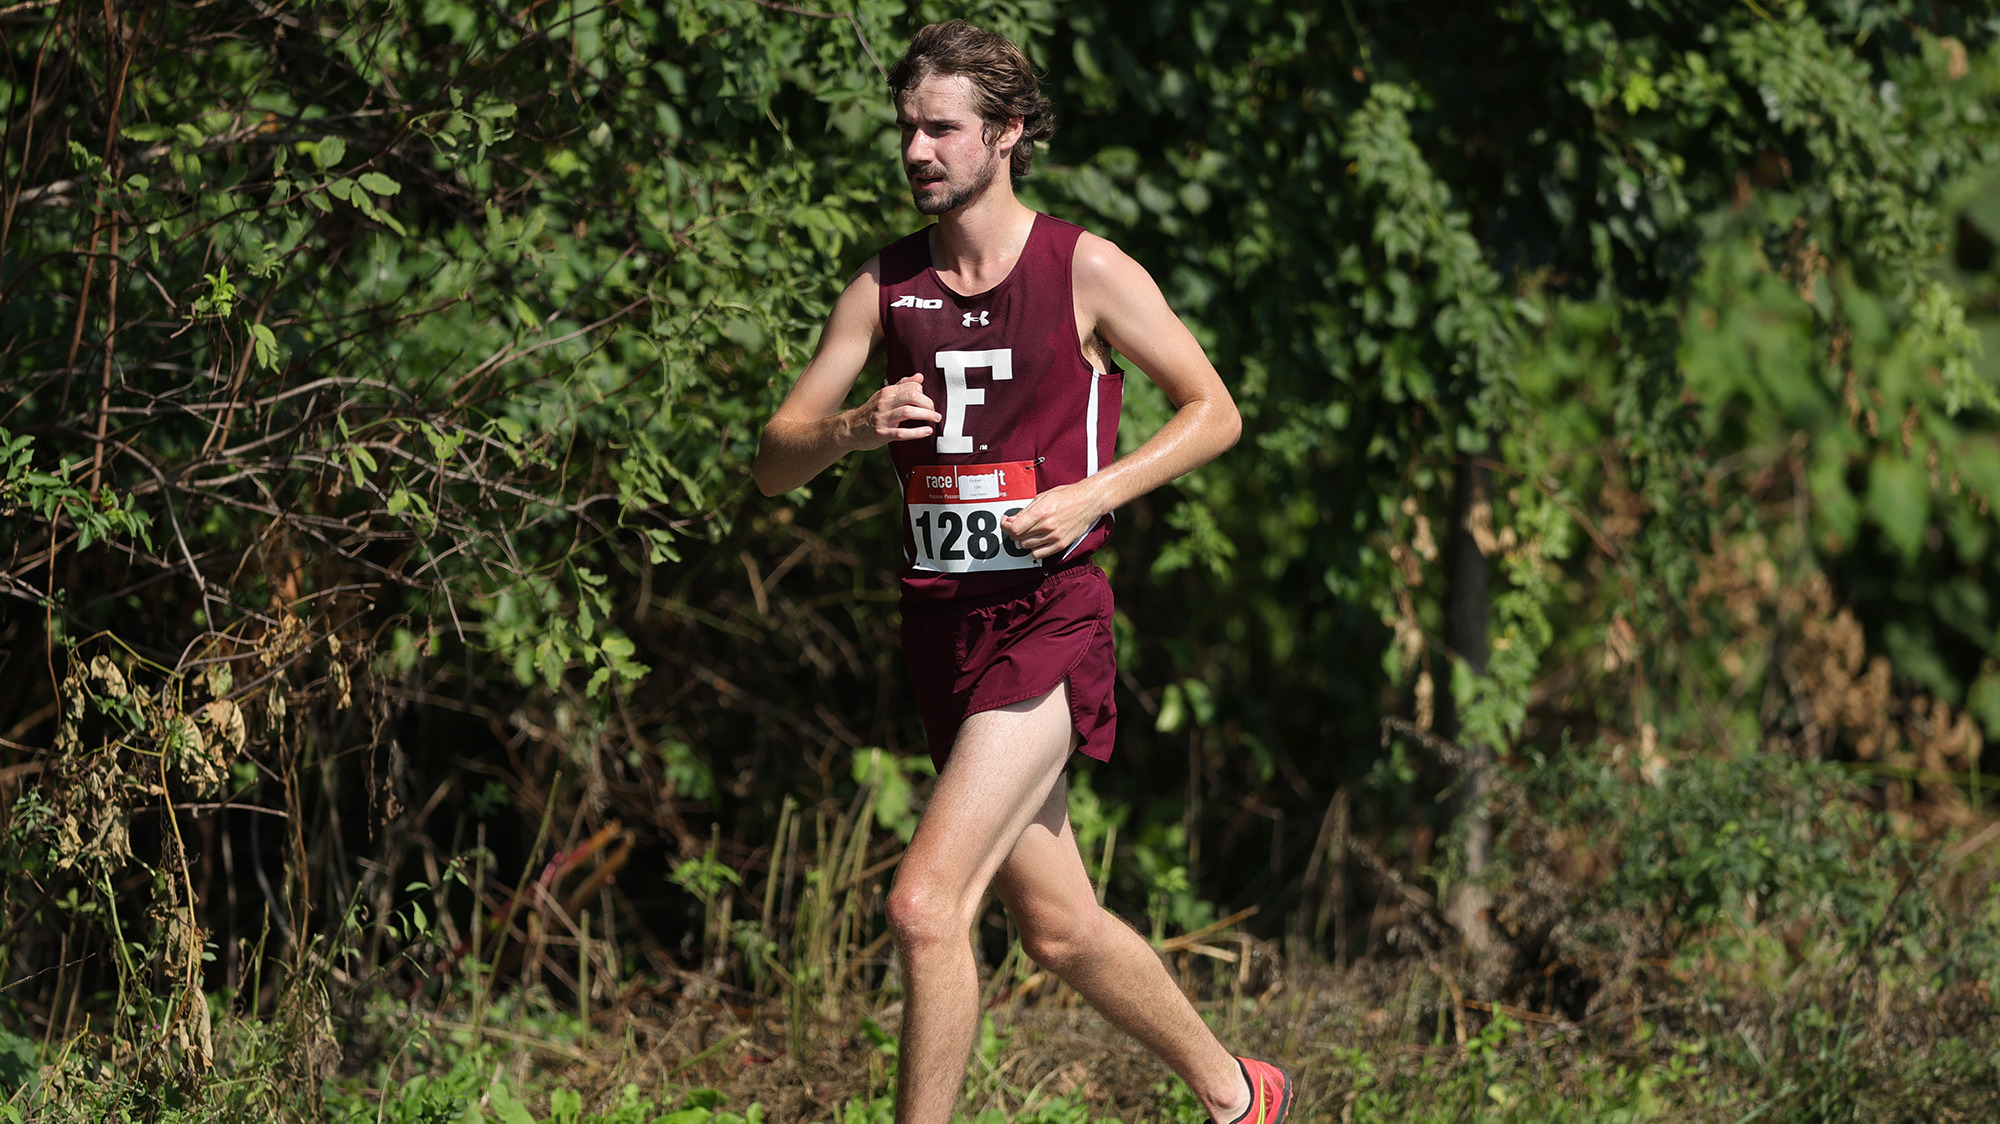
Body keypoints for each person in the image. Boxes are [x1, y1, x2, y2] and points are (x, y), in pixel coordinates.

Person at [751, 20, 1290, 1124]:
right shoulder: (884, 284)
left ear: (1004, 134)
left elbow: (1216, 410)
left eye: (939, 127)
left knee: (921, 904)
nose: (915, 150)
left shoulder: (1081, 266)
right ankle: (1243, 1096)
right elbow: (771, 461)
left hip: (1048, 618)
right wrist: (853, 426)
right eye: (905, 128)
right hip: (939, 629)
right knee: (1058, 927)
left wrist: (1095, 491)